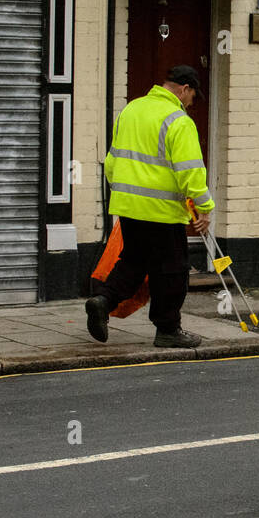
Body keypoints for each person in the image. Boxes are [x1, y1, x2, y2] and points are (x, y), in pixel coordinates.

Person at [86, 65, 213, 348]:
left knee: (134, 261)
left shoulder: (131, 110)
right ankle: (168, 329)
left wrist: (122, 193)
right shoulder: (178, 120)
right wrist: (204, 207)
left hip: (128, 206)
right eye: (193, 96)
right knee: (173, 269)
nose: (191, 102)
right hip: (161, 211)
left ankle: (103, 301)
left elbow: (113, 160)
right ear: (185, 89)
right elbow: (191, 171)